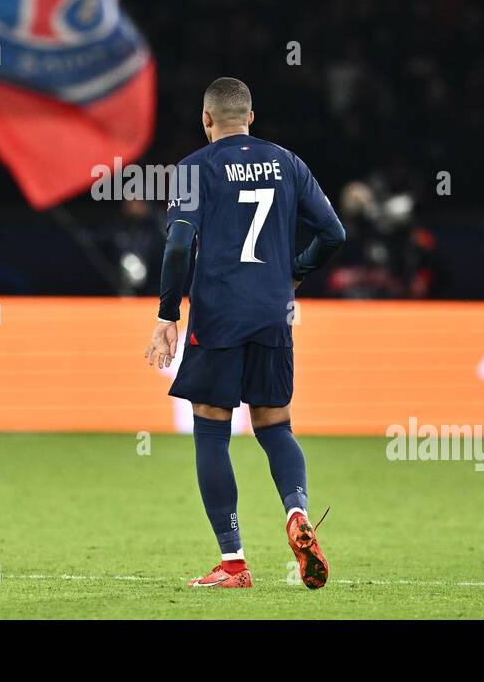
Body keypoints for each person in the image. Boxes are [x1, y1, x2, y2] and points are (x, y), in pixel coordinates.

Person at [144, 77, 346, 589]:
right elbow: (334, 233)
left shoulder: (195, 168)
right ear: (251, 117)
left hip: (218, 314)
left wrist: (167, 315)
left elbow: (177, 246)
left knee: (212, 429)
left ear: (206, 119)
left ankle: (233, 563)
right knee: (275, 426)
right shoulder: (288, 163)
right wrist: (294, 272)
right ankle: (296, 512)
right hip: (274, 312)